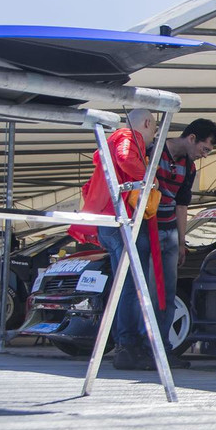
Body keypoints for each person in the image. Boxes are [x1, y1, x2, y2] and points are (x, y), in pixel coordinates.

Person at [68, 108, 158, 370]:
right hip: (121, 219)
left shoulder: (110, 143)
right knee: (131, 286)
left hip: (108, 220)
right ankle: (128, 346)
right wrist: (148, 180)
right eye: (153, 130)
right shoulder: (128, 136)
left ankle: (126, 343)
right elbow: (126, 157)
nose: (154, 137)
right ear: (146, 122)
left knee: (126, 285)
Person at [151, 118, 216, 366]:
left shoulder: (189, 169)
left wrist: (182, 242)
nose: (204, 156)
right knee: (140, 289)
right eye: (205, 149)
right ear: (192, 138)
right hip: (144, 228)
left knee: (166, 293)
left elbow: (182, 205)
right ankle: (136, 345)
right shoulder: (153, 152)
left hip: (168, 231)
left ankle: (163, 348)